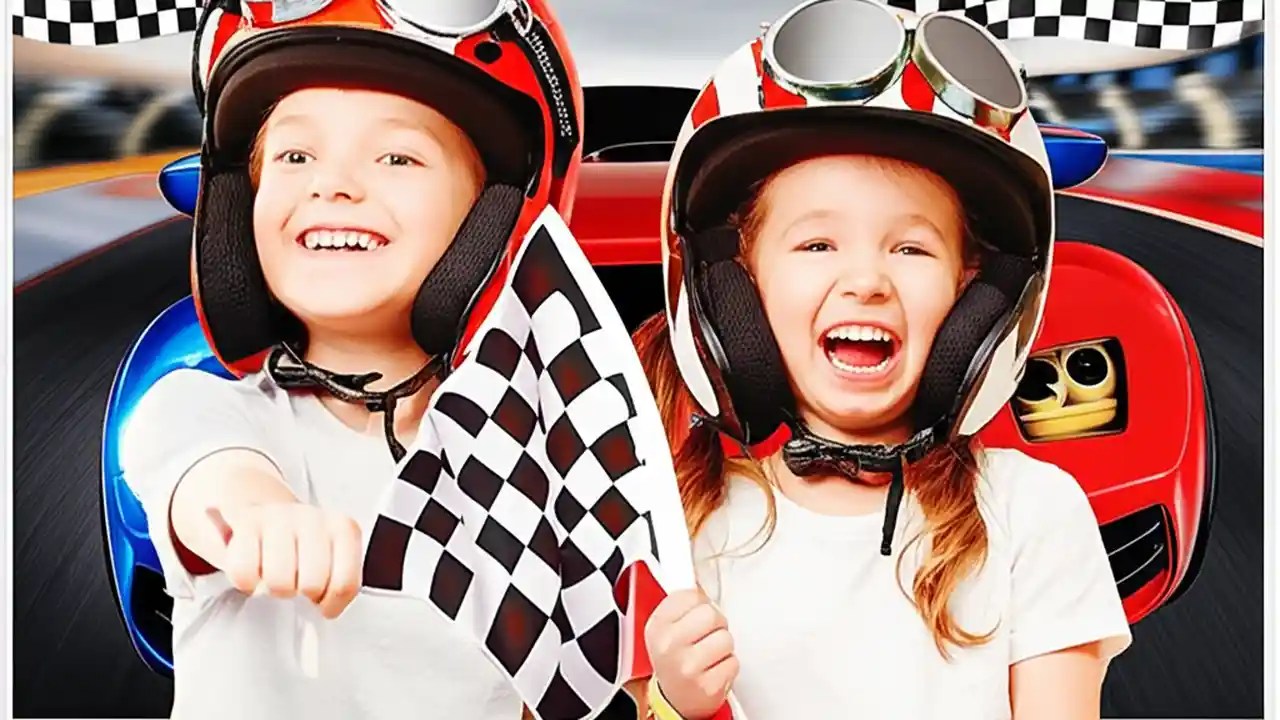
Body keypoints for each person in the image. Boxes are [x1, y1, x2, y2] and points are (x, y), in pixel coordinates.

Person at [627, 1, 1131, 718]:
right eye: (817, 245)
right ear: (735, 289)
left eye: (911, 248)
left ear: (975, 297)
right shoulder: (687, 523)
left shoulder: (1031, 513)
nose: (866, 281)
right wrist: (675, 703)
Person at [119, 1, 584, 718]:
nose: (331, 184)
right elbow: (209, 481)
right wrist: (261, 516)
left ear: (492, 218)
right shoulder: (202, 411)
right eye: (295, 156)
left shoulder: (534, 469)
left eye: (396, 157)